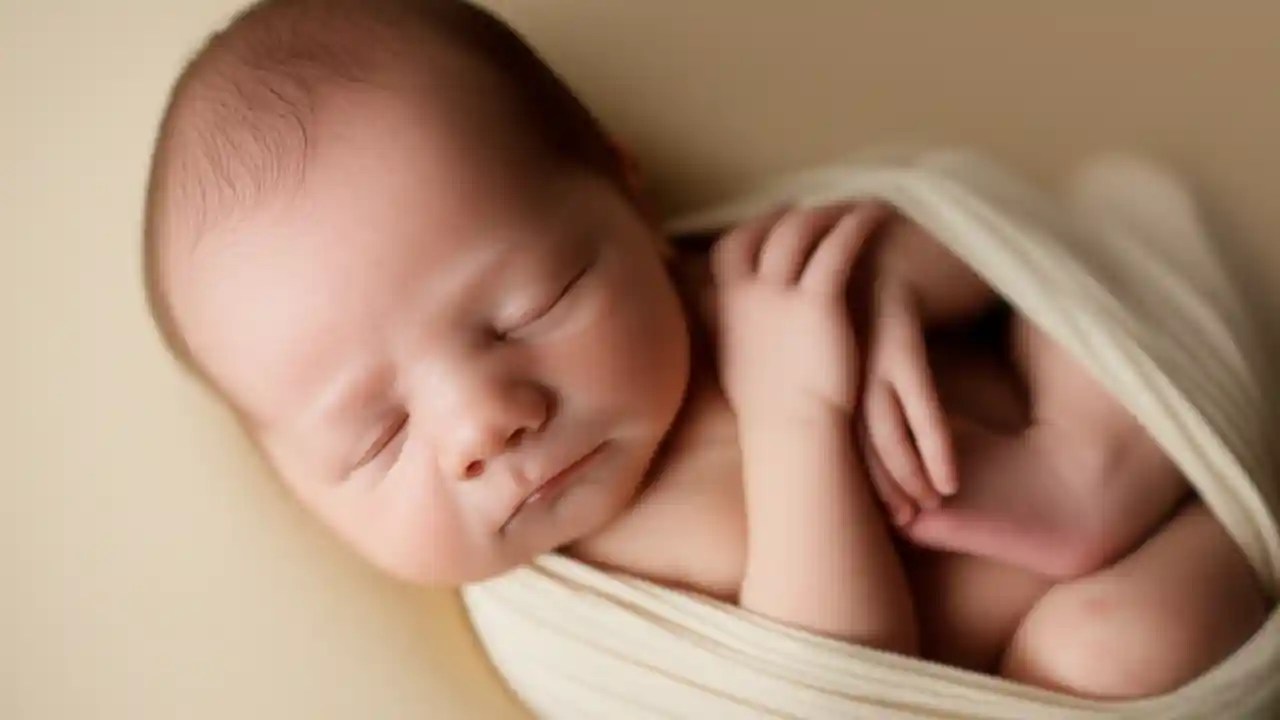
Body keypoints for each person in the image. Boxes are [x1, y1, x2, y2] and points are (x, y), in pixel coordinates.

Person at [142, 0, 1267, 699]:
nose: (485, 423)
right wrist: (794, 415)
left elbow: (976, 233)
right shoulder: (586, 621)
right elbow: (828, 678)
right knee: (1113, 648)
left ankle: (1086, 466)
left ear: (626, 197)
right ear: (292, 487)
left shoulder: (721, 283)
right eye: (376, 436)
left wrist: (877, 293)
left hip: (1130, 426)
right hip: (1099, 628)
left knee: (1103, 230)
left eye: (532, 306)